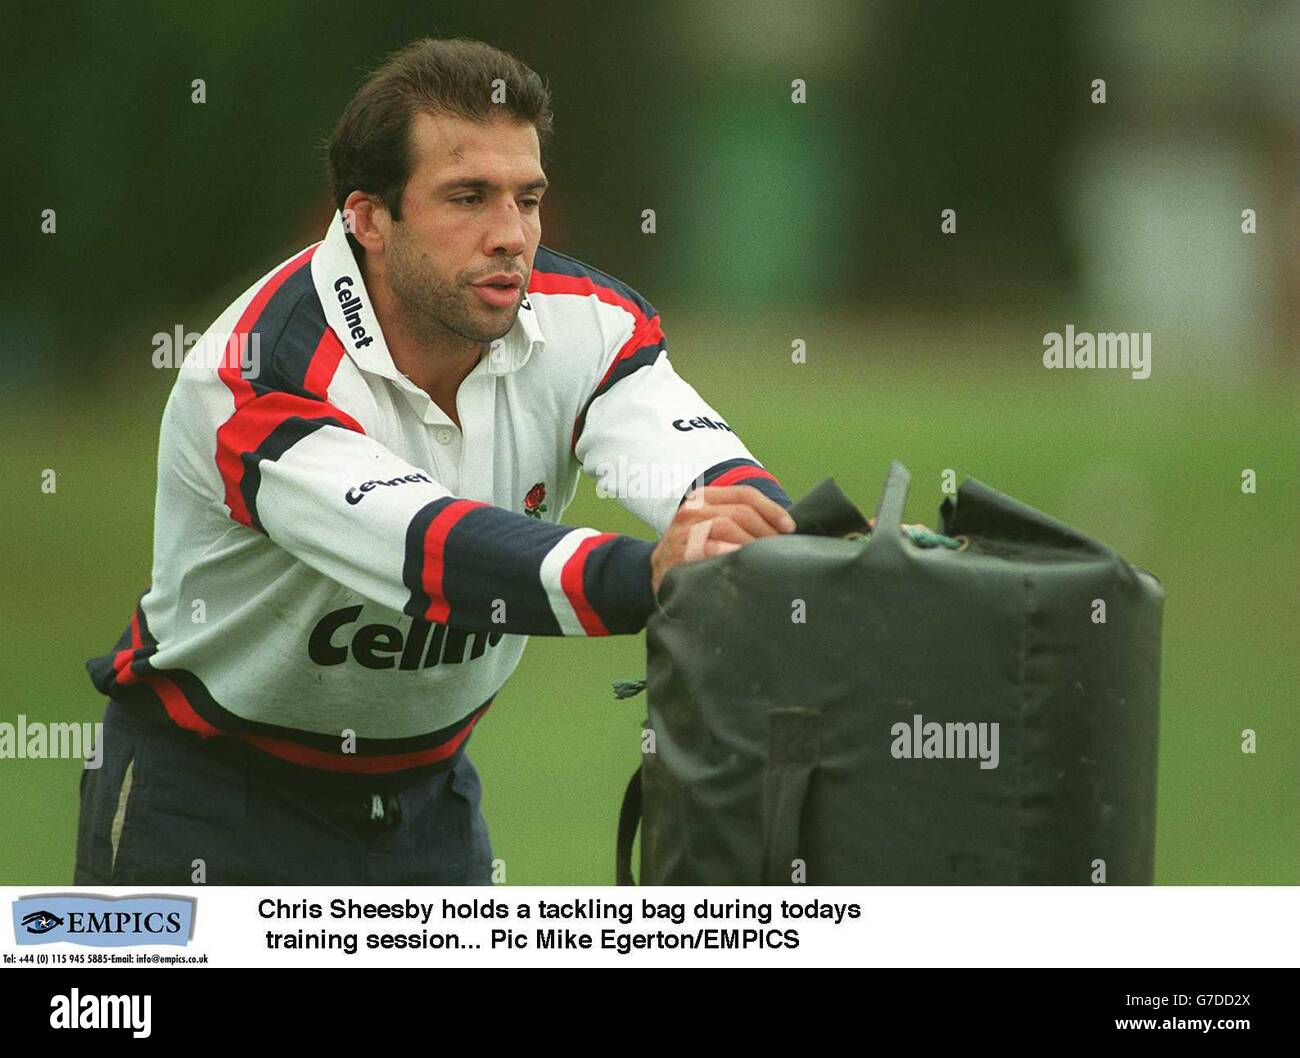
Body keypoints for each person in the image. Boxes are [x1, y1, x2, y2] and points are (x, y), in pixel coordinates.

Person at [75, 37, 794, 885]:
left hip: (429, 799)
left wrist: (767, 536)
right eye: (468, 197)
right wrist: (649, 575)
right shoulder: (254, 370)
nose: (512, 236)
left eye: (528, 199)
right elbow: (428, 551)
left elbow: (700, 468)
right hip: (210, 794)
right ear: (368, 218)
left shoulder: (588, 323)